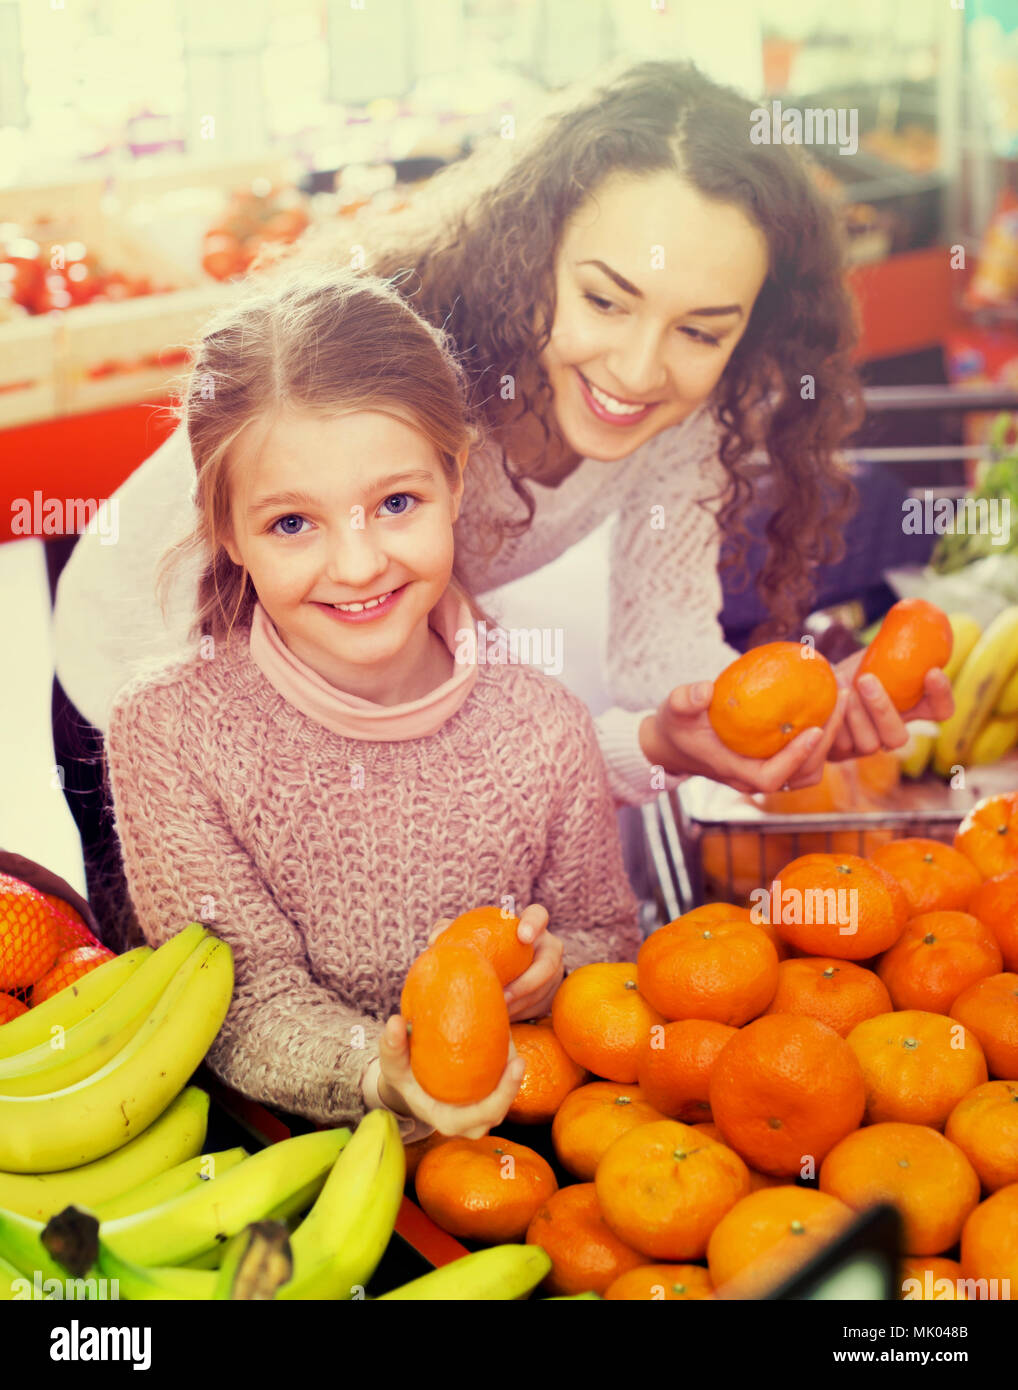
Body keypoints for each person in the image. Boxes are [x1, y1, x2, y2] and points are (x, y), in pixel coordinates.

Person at [53, 59, 952, 927]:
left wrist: (787, 709)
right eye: (605, 301)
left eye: (700, 330)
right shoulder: (405, 362)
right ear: (534, 253)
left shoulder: (692, 417)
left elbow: (662, 652)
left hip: (340, 663)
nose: (639, 370)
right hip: (146, 664)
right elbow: (377, 761)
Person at [103, 263, 644, 1140]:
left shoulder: (544, 725)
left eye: (396, 502)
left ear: (455, 480)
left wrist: (557, 972)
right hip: (293, 1171)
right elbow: (242, 1003)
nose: (357, 567)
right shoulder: (172, 733)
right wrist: (379, 1075)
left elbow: (605, 935)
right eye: (292, 523)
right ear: (228, 531)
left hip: (510, 1164)